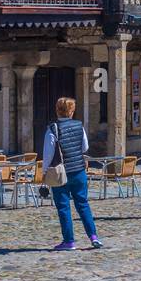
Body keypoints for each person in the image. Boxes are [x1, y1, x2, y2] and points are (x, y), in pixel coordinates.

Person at [42, 96, 101, 250]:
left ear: (57, 110)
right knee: (83, 204)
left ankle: (69, 241)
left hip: (61, 172)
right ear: (71, 111)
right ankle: (93, 236)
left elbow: (48, 154)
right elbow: (84, 147)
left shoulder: (53, 129)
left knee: (63, 207)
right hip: (79, 170)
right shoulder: (78, 126)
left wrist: (44, 173)